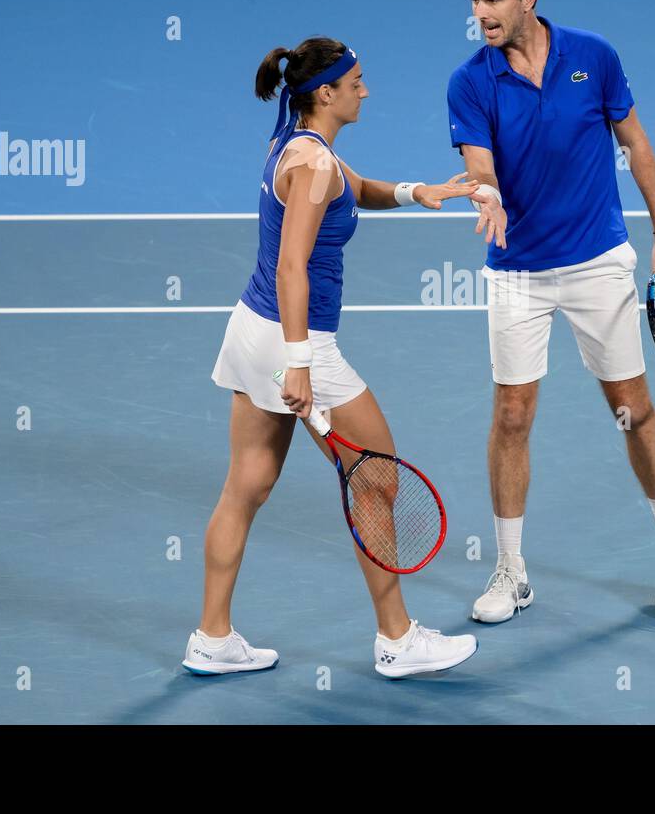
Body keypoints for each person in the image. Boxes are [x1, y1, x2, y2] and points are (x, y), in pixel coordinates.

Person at [183, 37, 480, 677]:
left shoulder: (300, 146)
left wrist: (413, 192)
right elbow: (293, 266)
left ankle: (212, 637)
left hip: (250, 330)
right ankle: (398, 641)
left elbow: (356, 188)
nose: (365, 90)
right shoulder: (314, 165)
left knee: (246, 486)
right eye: (357, 81)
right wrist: (298, 363)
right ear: (328, 93)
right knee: (377, 479)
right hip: (298, 342)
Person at [447, 0, 655, 622]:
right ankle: (511, 571)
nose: (480, 14)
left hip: (596, 263)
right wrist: (488, 194)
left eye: (492, 0)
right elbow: (479, 162)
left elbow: (635, 142)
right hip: (518, 271)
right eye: (473, 2)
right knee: (511, 416)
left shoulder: (595, 57)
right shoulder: (470, 81)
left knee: (632, 408)